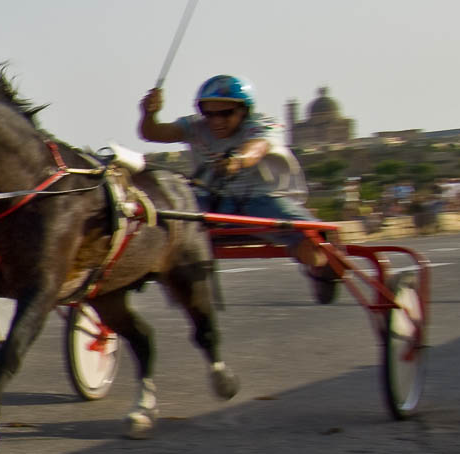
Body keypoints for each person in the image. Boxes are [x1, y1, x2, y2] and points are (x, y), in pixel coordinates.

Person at [138, 74, 335, 298]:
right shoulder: (194, 126)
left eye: (226, 113)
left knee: (311, 237)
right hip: (209, 200)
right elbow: (151, 133)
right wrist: (149, 113)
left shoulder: (263, 124)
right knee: (156, 219)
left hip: (260, 200)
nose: (216, 121)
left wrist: (237, 160)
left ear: (244, 111)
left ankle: (319, 269)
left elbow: (258, 147)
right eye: (209, 114)